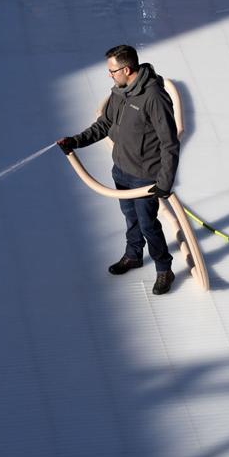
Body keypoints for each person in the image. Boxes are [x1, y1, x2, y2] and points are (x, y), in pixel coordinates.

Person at [57, 45, 180, 295]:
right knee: (130, 217)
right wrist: (76, 141)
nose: (109, 75)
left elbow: (169, 143)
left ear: (126, 69)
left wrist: (165, 182)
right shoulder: (120, 91)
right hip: (121, 170)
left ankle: (164, 269)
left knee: (148, 224)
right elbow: (105, 124)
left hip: (145, 177)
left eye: (112, 70)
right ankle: (133, 255)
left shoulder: (154, 97)